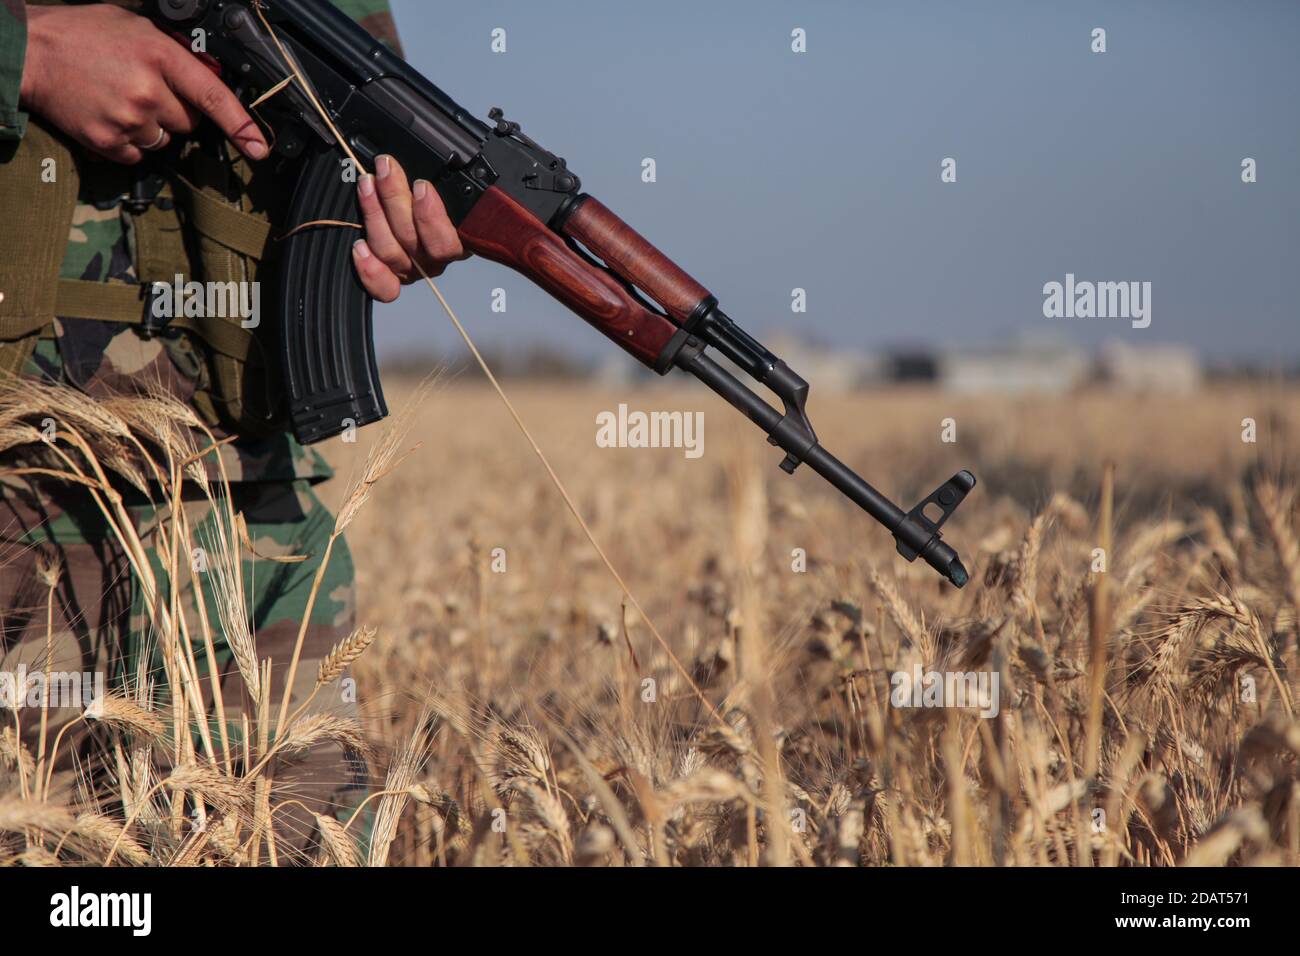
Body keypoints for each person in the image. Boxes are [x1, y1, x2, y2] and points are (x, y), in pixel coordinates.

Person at [0, 0, 463, 860]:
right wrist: (26, 51)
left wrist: (400, 199)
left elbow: (358, 89)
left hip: (250, 506)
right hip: (18, 500)